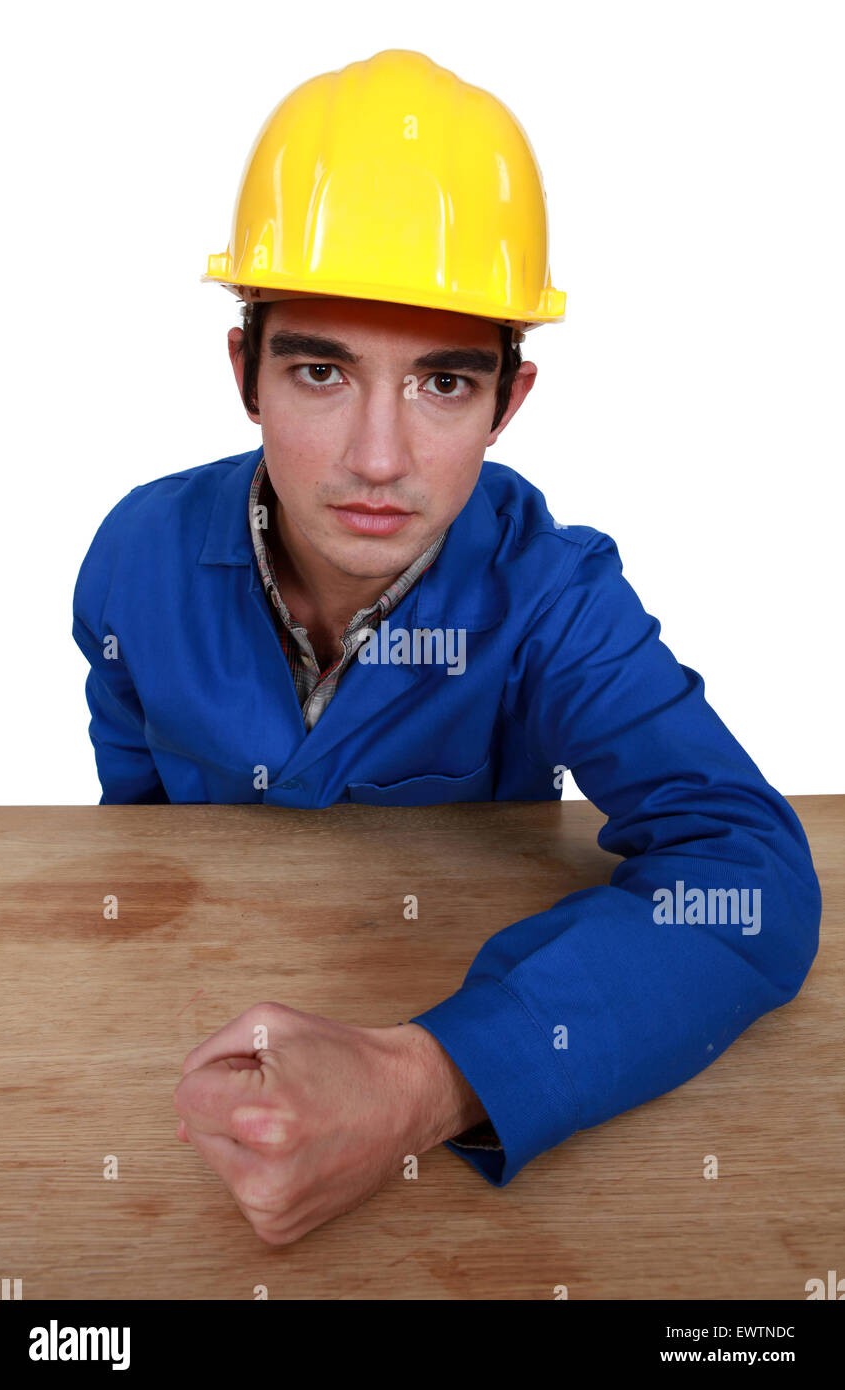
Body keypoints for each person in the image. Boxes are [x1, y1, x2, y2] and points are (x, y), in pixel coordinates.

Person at [71, 50, 821, 1246]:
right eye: (320, 370)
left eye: (440, 382)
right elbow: (140, 831)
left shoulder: (552, 597)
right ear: (244, 374)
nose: (377, 457)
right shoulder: (131, 559)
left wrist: (431, 1079)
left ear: (508, 400)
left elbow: (746, 878)